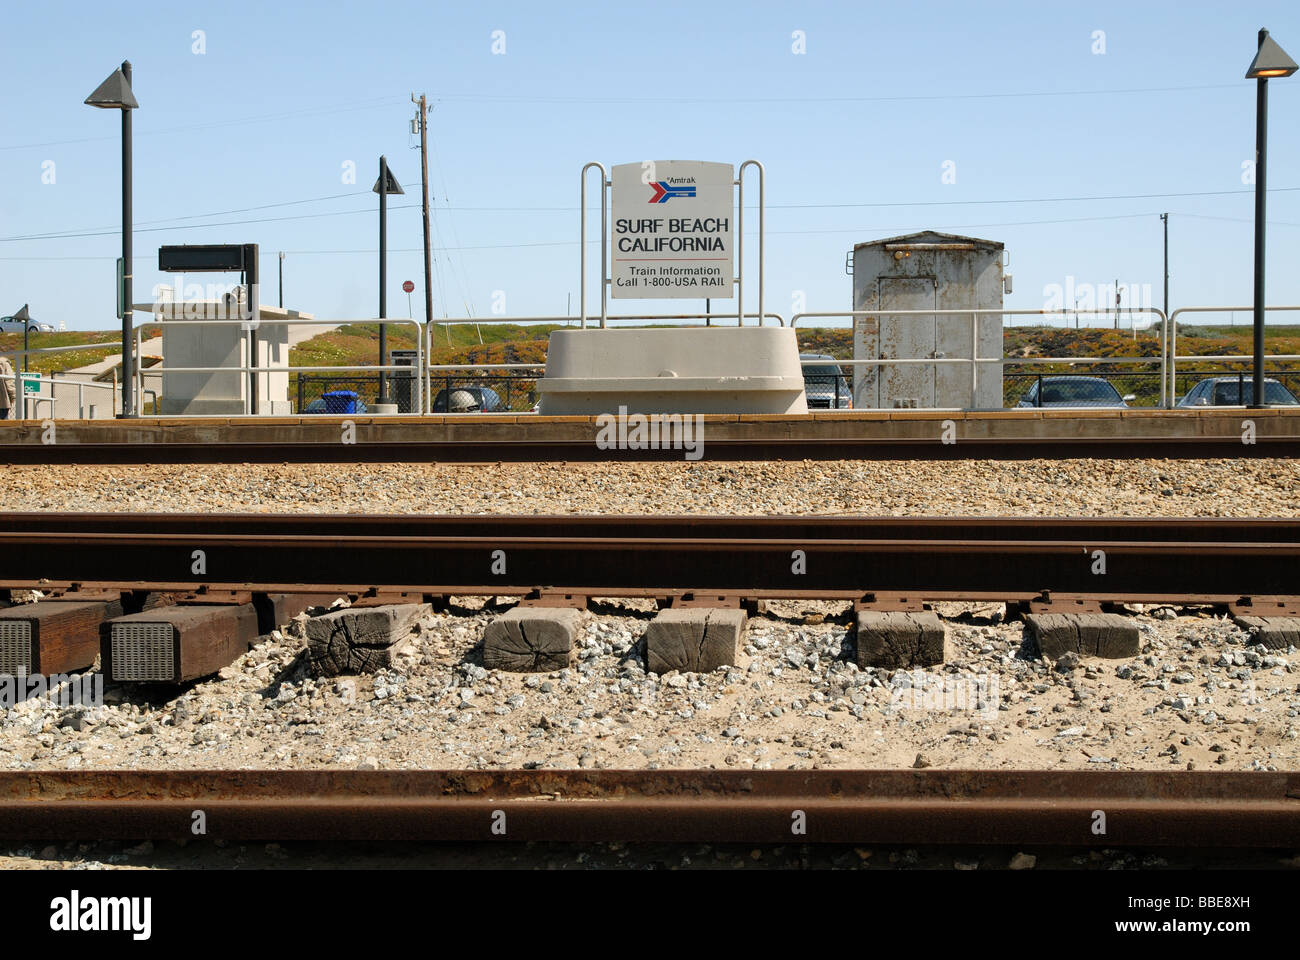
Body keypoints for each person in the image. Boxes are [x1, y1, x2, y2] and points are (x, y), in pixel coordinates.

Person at [0, 355, 14, 420]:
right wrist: (13, 396)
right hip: (2, 401)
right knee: (3, 425)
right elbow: (9, 381)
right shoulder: (3, 363)